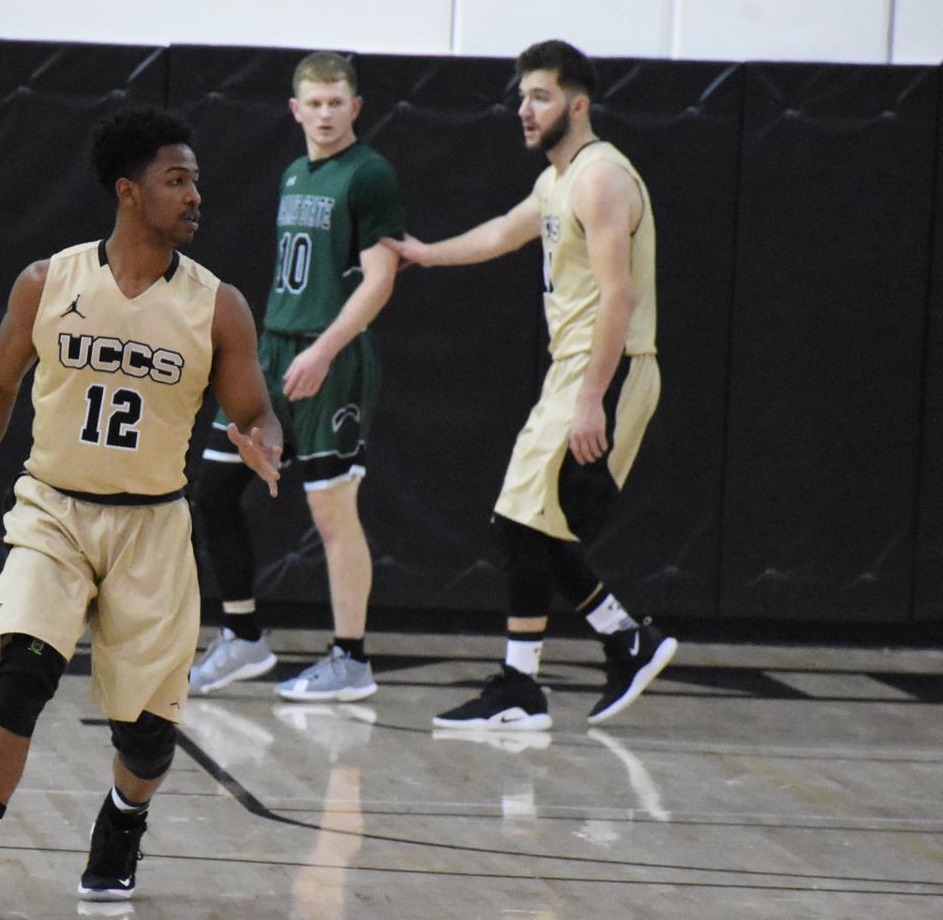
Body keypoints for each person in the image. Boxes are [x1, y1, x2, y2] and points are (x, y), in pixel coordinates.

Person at [0, 107, 283, 920]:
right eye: (176, 180)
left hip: (153, 526)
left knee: (148, 734)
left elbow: (255, 410)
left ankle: (122, 822)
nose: (196, 195)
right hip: (52, 510)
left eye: (196, 180)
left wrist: (262, 441)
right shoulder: (47, 282)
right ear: (129, 193)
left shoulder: (217, 305)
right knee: (21, 673)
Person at [383, 40, 676, 730]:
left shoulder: (601, 177)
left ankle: (542, 678)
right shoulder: (556, 180)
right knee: (532, 524)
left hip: (608, 365)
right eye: (521, 96)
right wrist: (424, 254)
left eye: (539, 96)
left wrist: (589, 398)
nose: (524, 108)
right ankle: (616, 643)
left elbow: (619, 298)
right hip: (575, 367)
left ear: (578, 104)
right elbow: (500, 234)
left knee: (522, 519)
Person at [189, 52, 404, 703]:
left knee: (330, 509)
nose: (325, 113)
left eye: (337, 102)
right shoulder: (291, 175)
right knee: (215, 489)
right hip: (273, 352)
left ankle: (351, 658)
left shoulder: (369, 175)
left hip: (330, 357)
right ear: (295, 109)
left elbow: (381, 279)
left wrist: (325, 350)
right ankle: (245, 634)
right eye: (314, 103)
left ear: (355, 107)